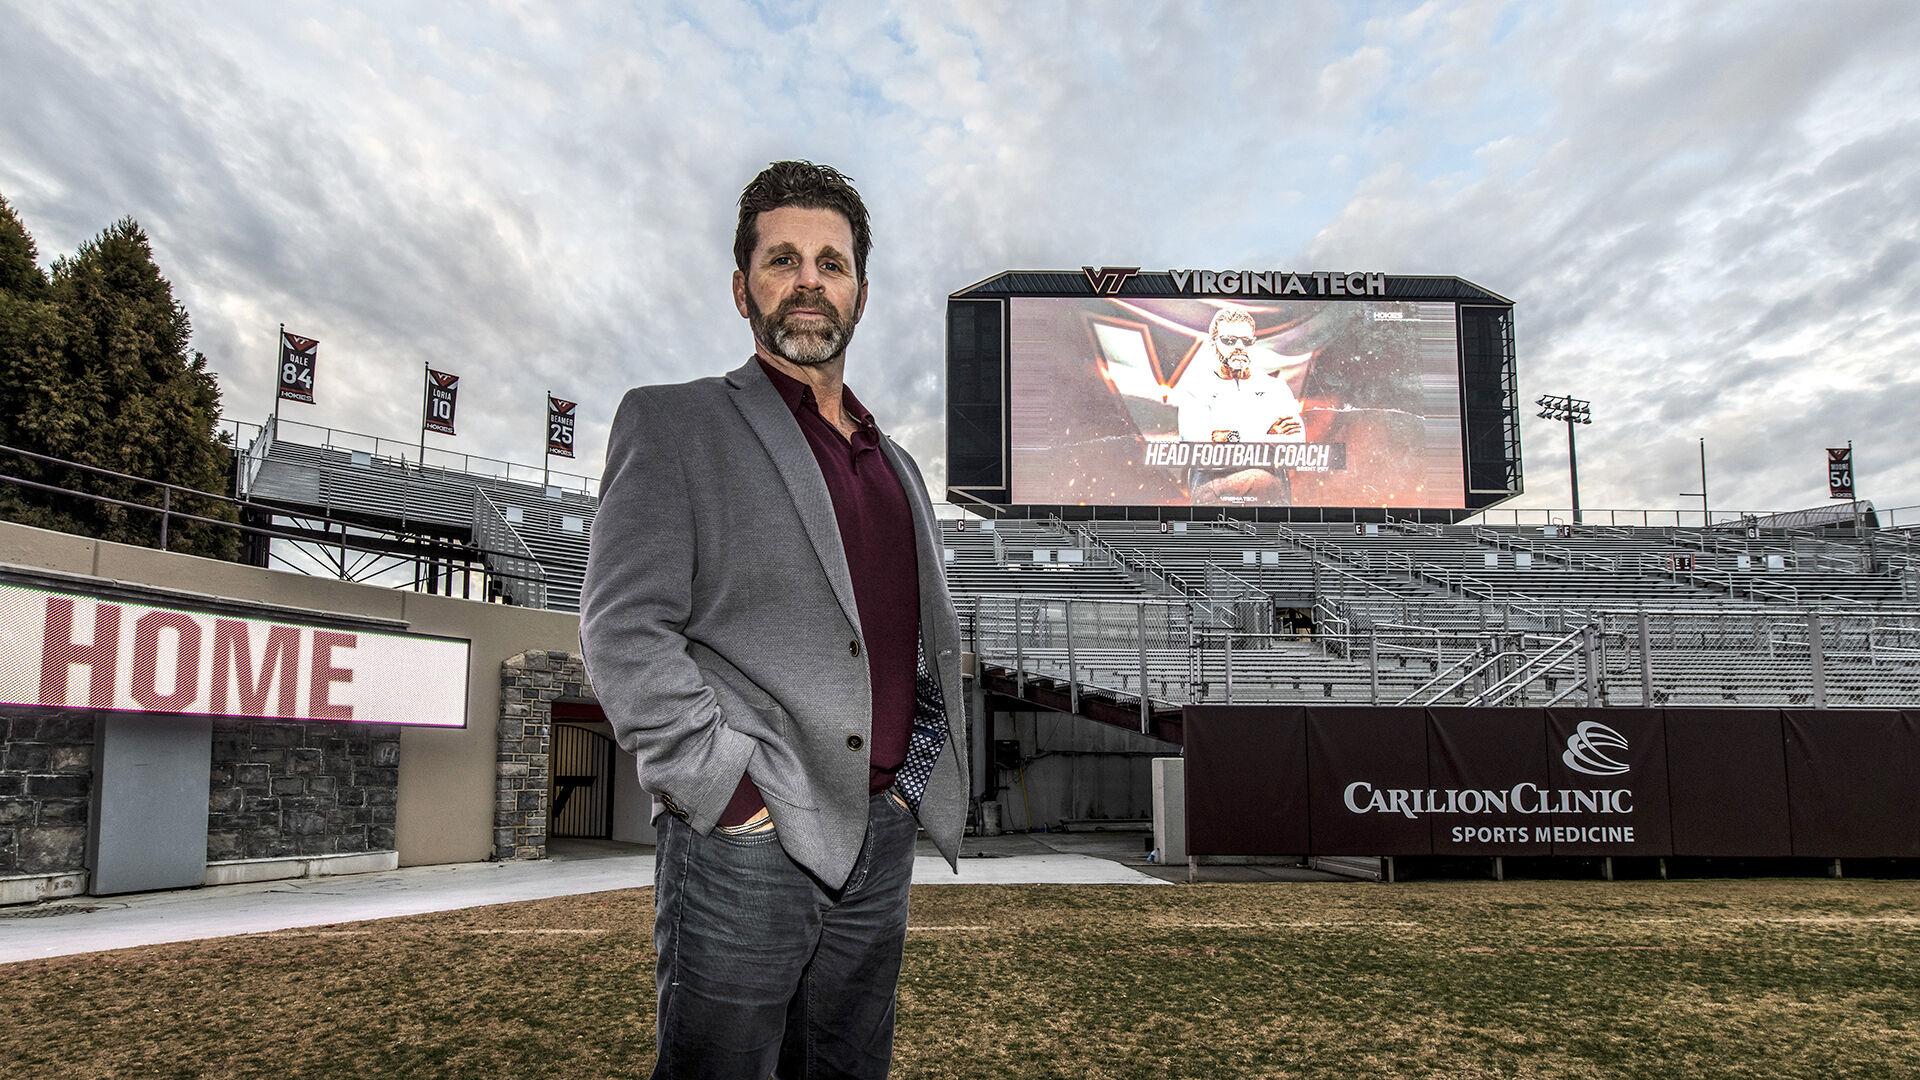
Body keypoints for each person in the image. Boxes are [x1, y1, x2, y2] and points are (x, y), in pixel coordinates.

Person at [578, 160, 969, 1079]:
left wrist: (909, 786)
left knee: (847, 1068)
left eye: (831, 264)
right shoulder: (674, 424)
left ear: (860, 294)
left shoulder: (897, 464)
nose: (808, 282)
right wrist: (728, 794)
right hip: (746, 840)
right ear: (741, 285)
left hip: (879, 831)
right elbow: (623, 629)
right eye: (782, 258)